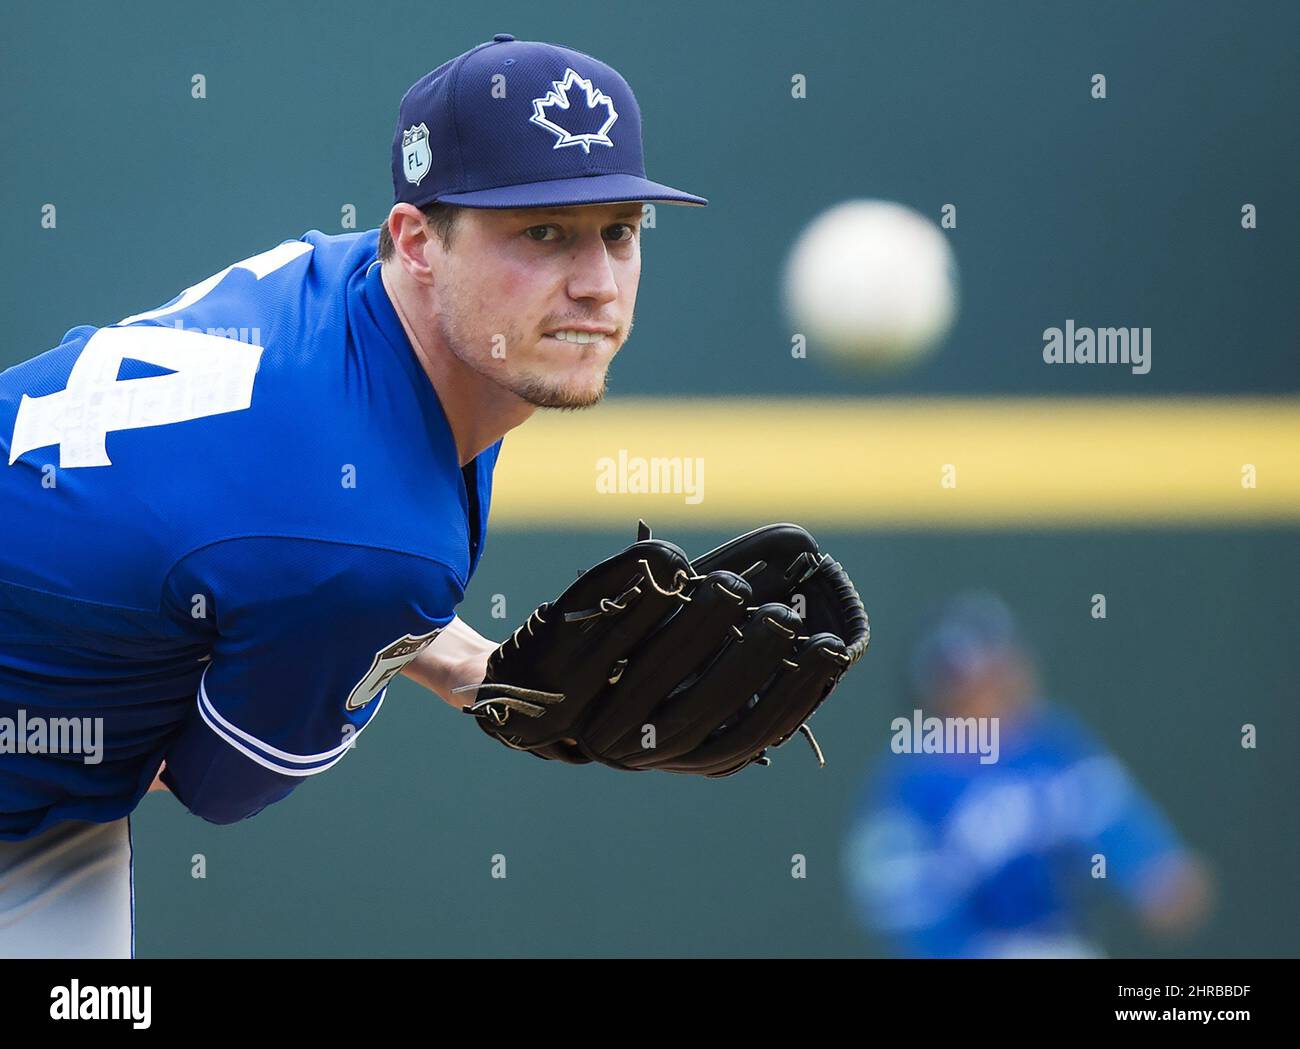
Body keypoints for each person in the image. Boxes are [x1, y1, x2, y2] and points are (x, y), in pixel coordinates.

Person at [0, 33, 706, 958]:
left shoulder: (361, 290)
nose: (596, 283)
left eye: (619, 231)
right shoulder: (370, 546)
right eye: (543, 232)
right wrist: (379, 630)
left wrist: (458, 658)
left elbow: (277, 530)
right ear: (417, 241)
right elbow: (201, 778)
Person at [843, 592, 1211, 958]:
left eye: (1004, 674)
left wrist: (1152, 872)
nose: (1000, 692)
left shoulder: (1051, 747)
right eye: (980, 685)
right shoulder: (909, 784)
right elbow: (905, 907)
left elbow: (1119, 827)